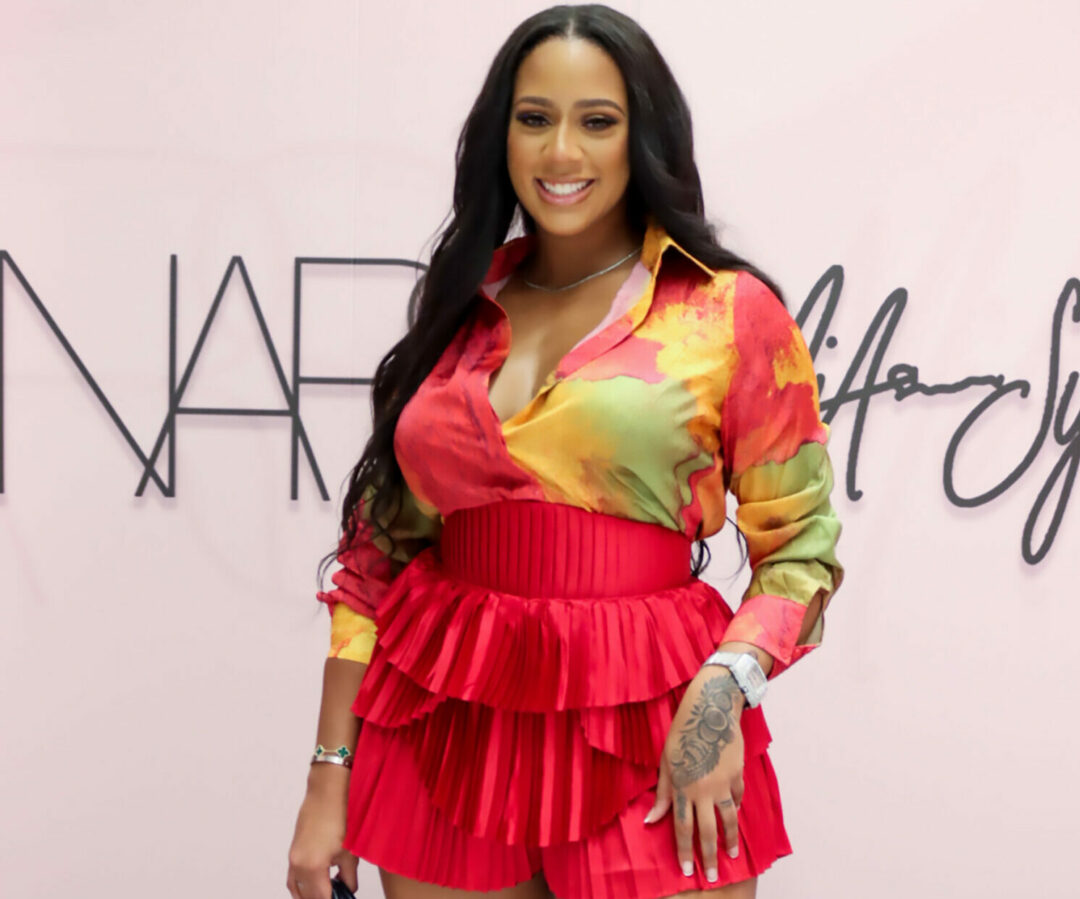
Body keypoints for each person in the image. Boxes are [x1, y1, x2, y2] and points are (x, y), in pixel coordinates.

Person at [286, 4, 844, 898]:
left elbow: (801, 551)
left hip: (652, 722)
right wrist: (328, 779)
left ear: (642, 137)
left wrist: (723, 690)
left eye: (597, 121)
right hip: (449, 721)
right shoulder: (459, 304)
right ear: (500, 135)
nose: (561, 152)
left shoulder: (726, 312)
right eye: (535, 118)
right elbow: (375, 564)